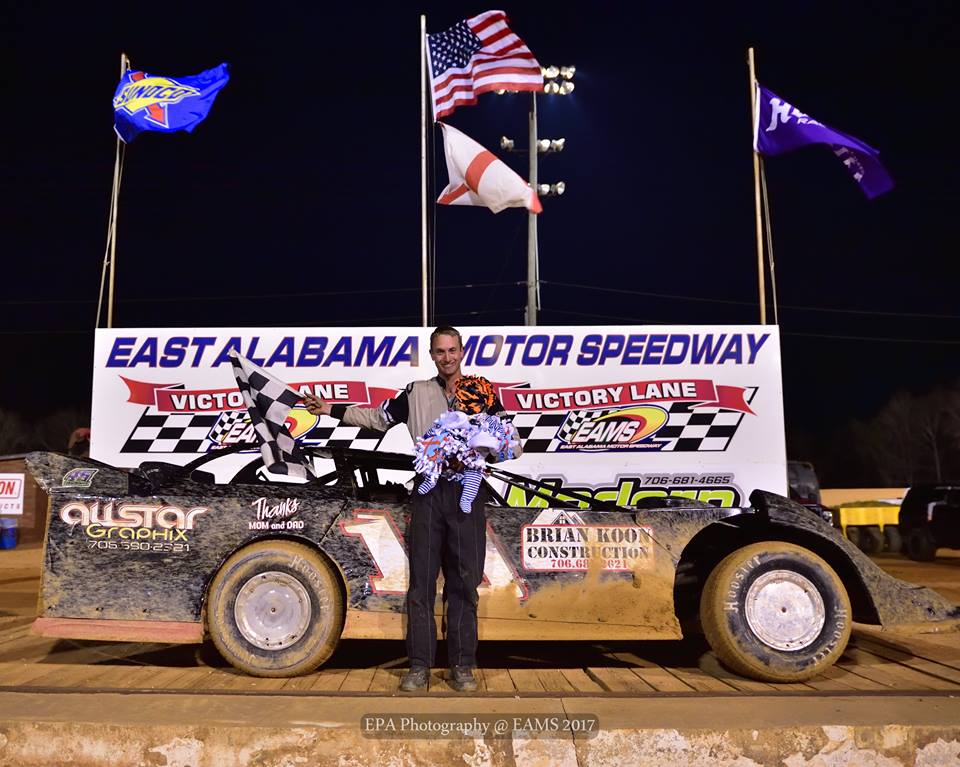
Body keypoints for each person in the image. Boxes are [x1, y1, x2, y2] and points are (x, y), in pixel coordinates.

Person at [303, 326, 520, 693]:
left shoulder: (483, 393)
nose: (447, 357)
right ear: (432, 355)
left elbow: (510, 441)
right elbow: (376, 418)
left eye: (452, 350)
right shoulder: (416, 393)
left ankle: (462, 667)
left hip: (467, 492)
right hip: (427, 493)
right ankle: (419, 666)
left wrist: (493, 447)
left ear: (462, 352)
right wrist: (330, 410)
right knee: (420, 584)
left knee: (464, 585)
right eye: (440, 351)